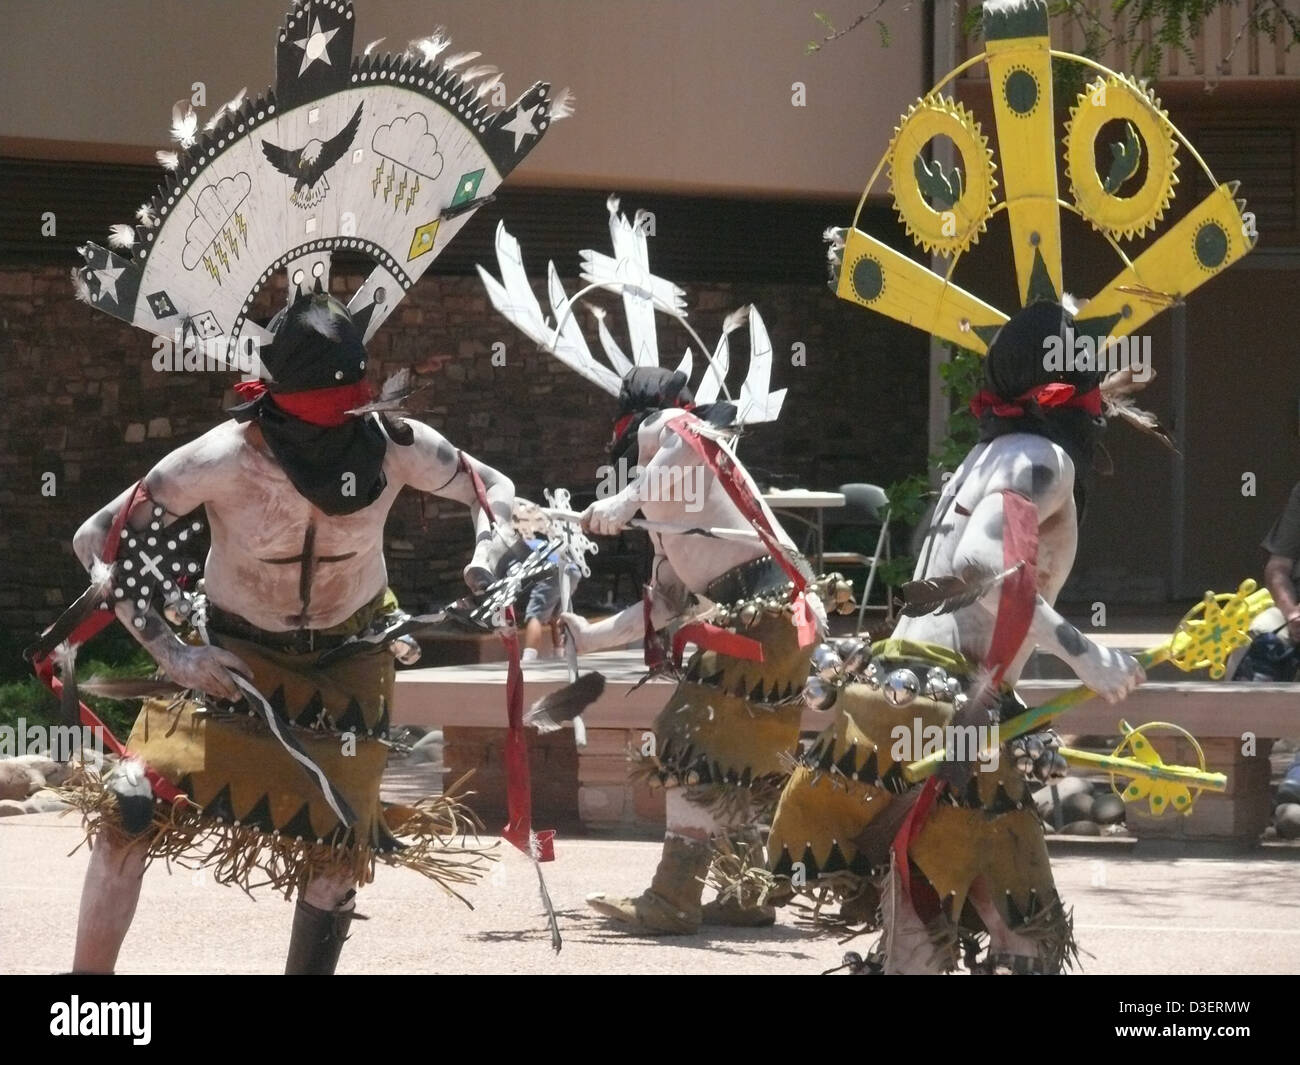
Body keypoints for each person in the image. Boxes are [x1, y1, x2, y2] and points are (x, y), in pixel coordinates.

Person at [64, 293, 521, 974]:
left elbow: (493, 487)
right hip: (235, 656)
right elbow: (98, 537)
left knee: (338, 852)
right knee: (128, 808)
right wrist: (174, 654)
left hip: (351, 658)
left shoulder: (397, 447)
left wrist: (490, 552)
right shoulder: (219, 459)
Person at [479, 202, 856, 934]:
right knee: (739, 753)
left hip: (767, 613)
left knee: (688, 740)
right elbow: (662, 608)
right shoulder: (675, 508)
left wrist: (620, 502)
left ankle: (674, 896)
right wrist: (586, 636)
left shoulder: (677, 433)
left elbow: (682, 440)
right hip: (773, 622)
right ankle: (749, 892)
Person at [767, 301, 1145, 973]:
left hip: (895, 696)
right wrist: (1086, 654)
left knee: (926, 908)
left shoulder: (989, 455)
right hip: (945, 709)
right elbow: (979, 566)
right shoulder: (1043, 458)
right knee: (1025, 928)